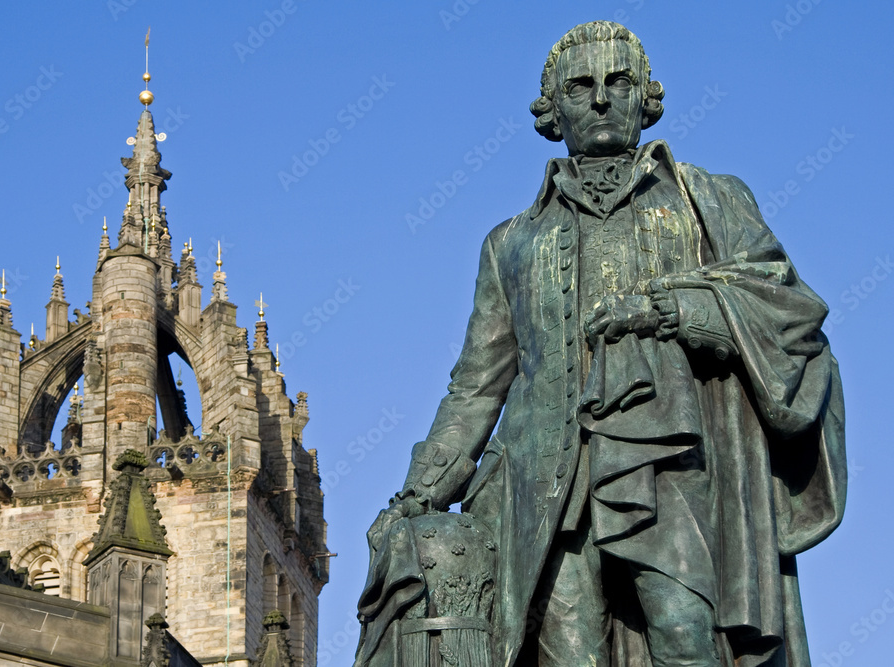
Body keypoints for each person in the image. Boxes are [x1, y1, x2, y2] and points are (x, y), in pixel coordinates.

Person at [357, 20, 846, 667]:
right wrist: (416, 495)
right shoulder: (512, 243)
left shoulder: (708, 200)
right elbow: (475, 387)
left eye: (618, 82)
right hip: (544, 486)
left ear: (646, 96)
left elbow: (787, 308)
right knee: (567, 656)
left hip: (670, 460)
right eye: (580, 85)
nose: (599, 98)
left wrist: (678, 307)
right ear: (551, 110)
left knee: (686, 637)